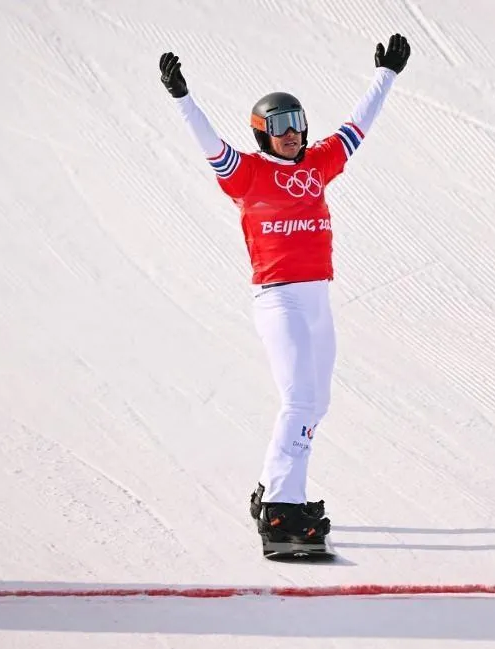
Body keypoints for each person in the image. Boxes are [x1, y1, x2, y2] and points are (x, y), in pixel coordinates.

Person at [158, 35, 411, 547]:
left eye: (296, 123)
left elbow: (357, 127)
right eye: (279, 126)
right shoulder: (245, 175)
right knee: (299, 400)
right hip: (280, 299)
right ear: (261, 134)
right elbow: (209, 144)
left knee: (317, 404)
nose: (292, 133)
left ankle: (274, 490)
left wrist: (385, 76)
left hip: (318, 300)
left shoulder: (317, 165)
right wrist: (183, 97)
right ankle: (281, 510)